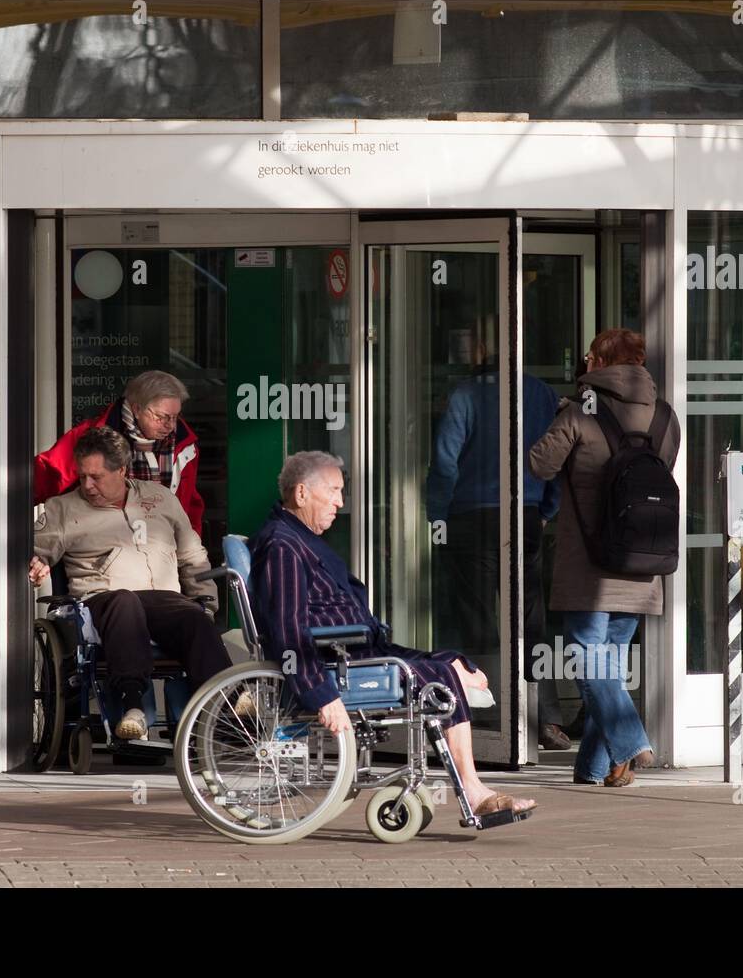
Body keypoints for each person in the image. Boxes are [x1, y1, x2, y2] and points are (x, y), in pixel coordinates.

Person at [249, 450, 537, 822]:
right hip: (337, 664)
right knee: (441, 682)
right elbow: (287, 629)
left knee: (450, 662)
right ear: (301, 493)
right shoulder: (283, 546)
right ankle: (472, 789)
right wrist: (321, 694)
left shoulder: (300, 538)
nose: (340, 501)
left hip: (357, 652)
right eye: (334, 491)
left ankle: (470, 783)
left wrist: (455, 662)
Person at [528, 328, 680, 787]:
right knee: (608, 662)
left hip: (588, 562)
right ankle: (595, 768)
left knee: (589, 658)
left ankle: (632, 742)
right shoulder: (665, 415)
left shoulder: (579, 412)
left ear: (597, 363)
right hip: (642, 559)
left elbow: (540, 464)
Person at [28, 426, 235, 741]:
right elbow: (36, 551)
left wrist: (206, 601)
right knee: (124, 600)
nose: (87, 485)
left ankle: (229, 699)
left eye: (96, 477)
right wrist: (36, 563)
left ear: (121, 470)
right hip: (102, 603)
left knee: (193, 614)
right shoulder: (63, 509)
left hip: (162, 601)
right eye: (83, 476)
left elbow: (192, 554)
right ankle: (133, 706)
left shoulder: (160, 497)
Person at [426, 317, 568, 748]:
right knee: (530, 619)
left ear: (483, 352)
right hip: (525, 514)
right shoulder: (541, 394)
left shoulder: (466, 394)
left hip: (472, 518)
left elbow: (446, 460)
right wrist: (546, 507)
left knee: (477, 618)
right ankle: (545, 718)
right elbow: (556, 457)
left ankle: (493, 716)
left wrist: (439, 515)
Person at [34, 370, 205, 537]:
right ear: (136, 409)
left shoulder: (185, 445)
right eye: (161, 417)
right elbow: (47, 476)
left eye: (175, 417)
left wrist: (190, 548)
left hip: (161, 548)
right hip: (99, 543)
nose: (170, 425)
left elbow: (189, 505)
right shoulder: (92, 437)